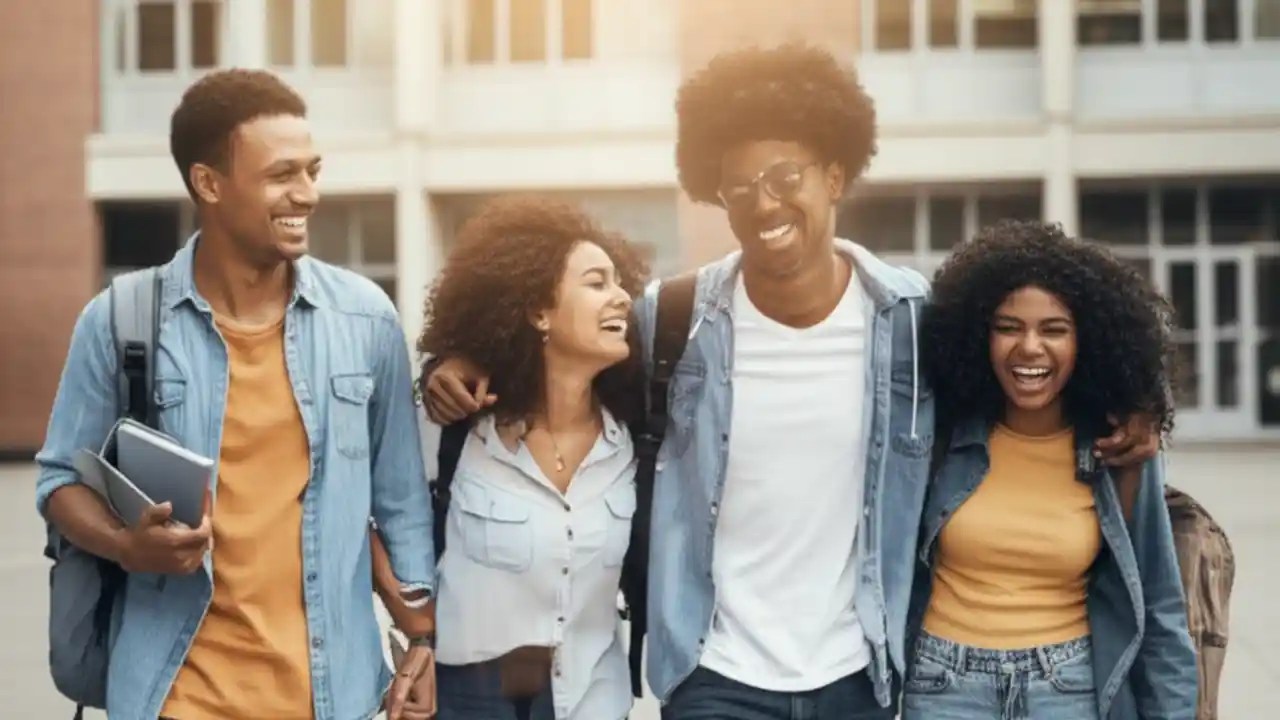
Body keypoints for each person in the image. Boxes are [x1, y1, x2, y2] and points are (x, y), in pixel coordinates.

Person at [422, 44, 1160, 719]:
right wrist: (463, 356)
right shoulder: (671, 321)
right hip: (715, 675)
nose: (764, 203)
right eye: (739, 186)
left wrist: (1126, 400)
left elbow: (1024, 377)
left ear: (834, 176)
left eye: (785, 177)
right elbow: (556, 341)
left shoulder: (911, 322)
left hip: (855, 675)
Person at [35, 69, 436, 720]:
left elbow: (401, 505)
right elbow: (57, 481)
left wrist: (422, 639)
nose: (306, 194)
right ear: (209, 183)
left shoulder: (366, 320)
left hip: (335, 697)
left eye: (313, 170)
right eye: (283, 175)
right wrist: (127, 545)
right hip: (175, 698)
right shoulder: (120, 320)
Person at [907, 220, 1198, 720]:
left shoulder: (1120, 450)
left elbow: (1161, 608)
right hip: (944, 686)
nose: (1030, 348)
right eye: (1008, 327)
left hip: (1067, 690)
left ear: (1090, 342)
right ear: (978, 336)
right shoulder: (942, 433)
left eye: (1055, 329)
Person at [375, 195, 648, 720]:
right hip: (465, 703)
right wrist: (415, 636)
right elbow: (374, 518)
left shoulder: (636, 436)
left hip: (593, 703)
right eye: (597, 283)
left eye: (619, 283)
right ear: (537, 311)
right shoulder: (457, 431)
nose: (622, 299)